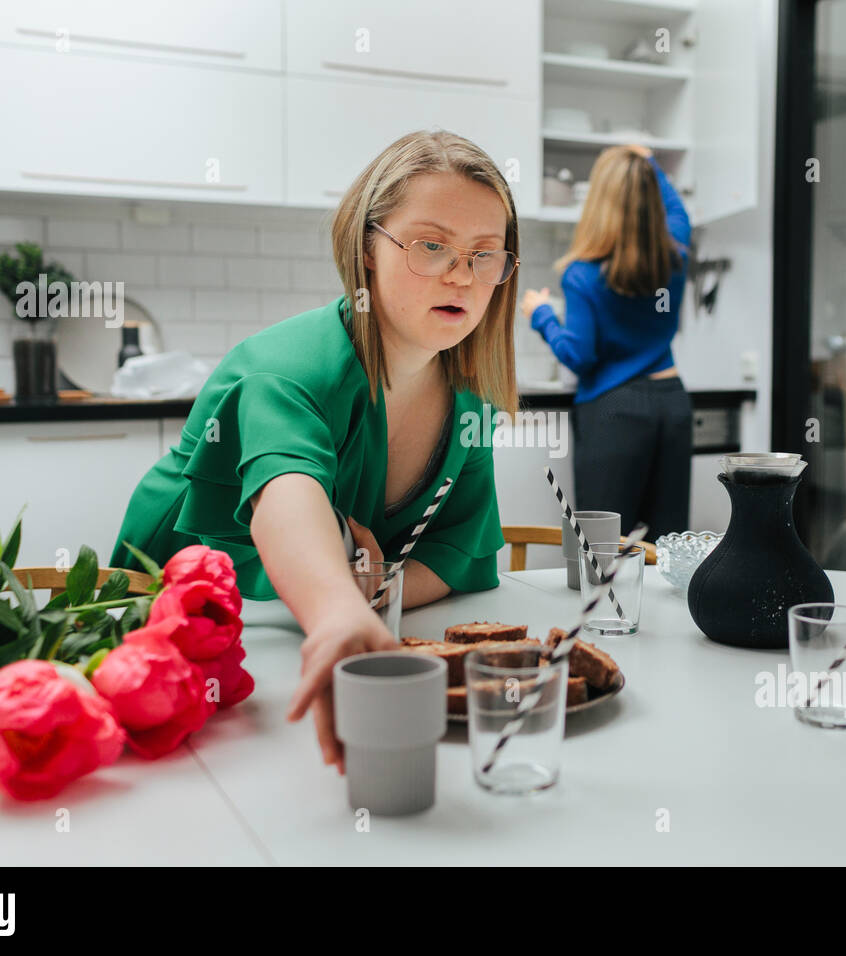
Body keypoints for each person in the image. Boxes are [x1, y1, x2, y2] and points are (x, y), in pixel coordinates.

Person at [109, 130, 520, 772]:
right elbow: (285, 496)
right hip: (183, 640)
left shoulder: (469, 400)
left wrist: (369, 600)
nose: (461, 274)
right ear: (367, 248)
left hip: (302, 655)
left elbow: (455, 550)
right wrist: (336, 610)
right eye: (430, 245)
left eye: (484, 254)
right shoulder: (285, 369)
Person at [521, 145, 693, 539]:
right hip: (672, 404)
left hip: (615, 411)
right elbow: (680, 210)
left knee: (602, 548)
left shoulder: (582, 275)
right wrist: (647, 162)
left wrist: (542, 315)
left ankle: (603, 605)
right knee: (667, 547)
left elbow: (580, 356)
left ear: (599, 199)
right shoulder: (676, 253)